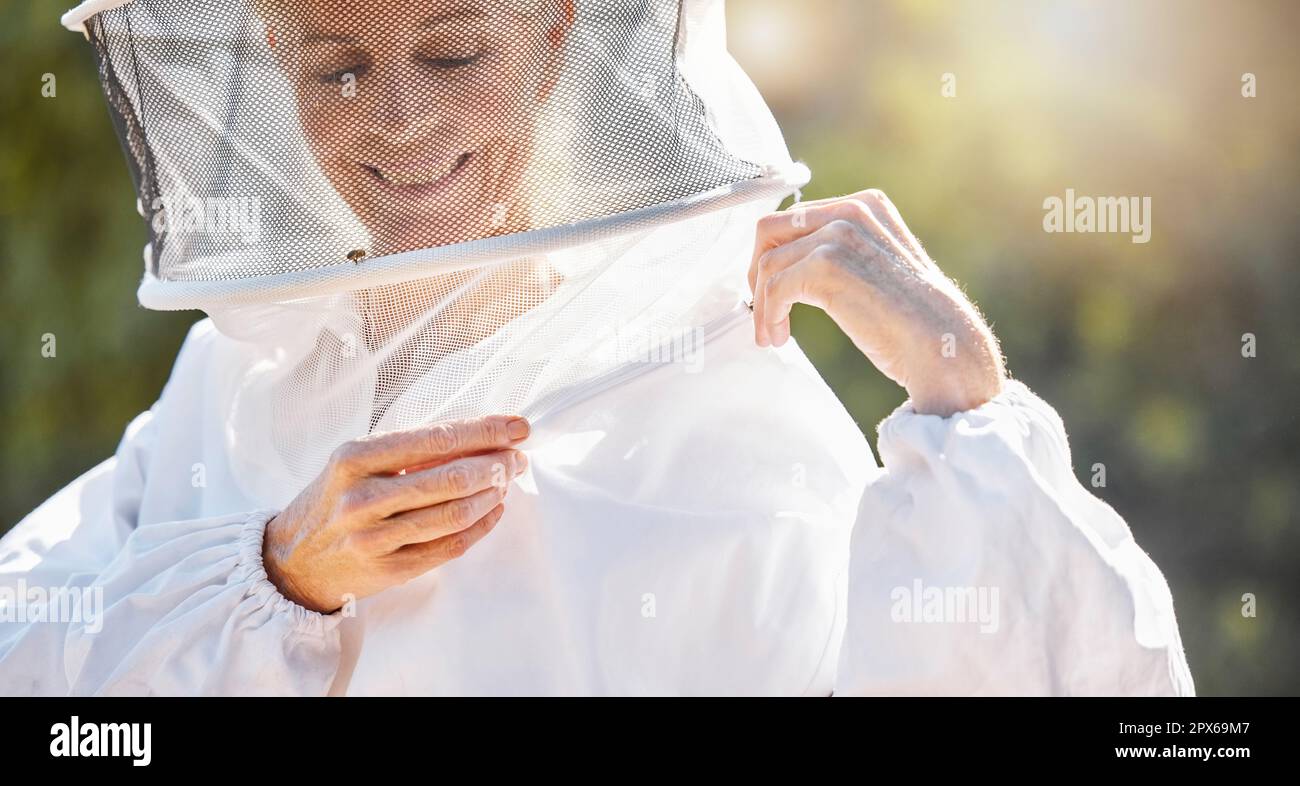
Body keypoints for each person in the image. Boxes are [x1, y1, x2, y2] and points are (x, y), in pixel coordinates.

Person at [0, 0, 1192, 695]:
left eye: (454, 51)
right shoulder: (242, 371)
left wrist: (965, 405)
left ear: (559, 35)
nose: (396, 122)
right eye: (339, 67)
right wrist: (275, 576)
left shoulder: (706, 380)